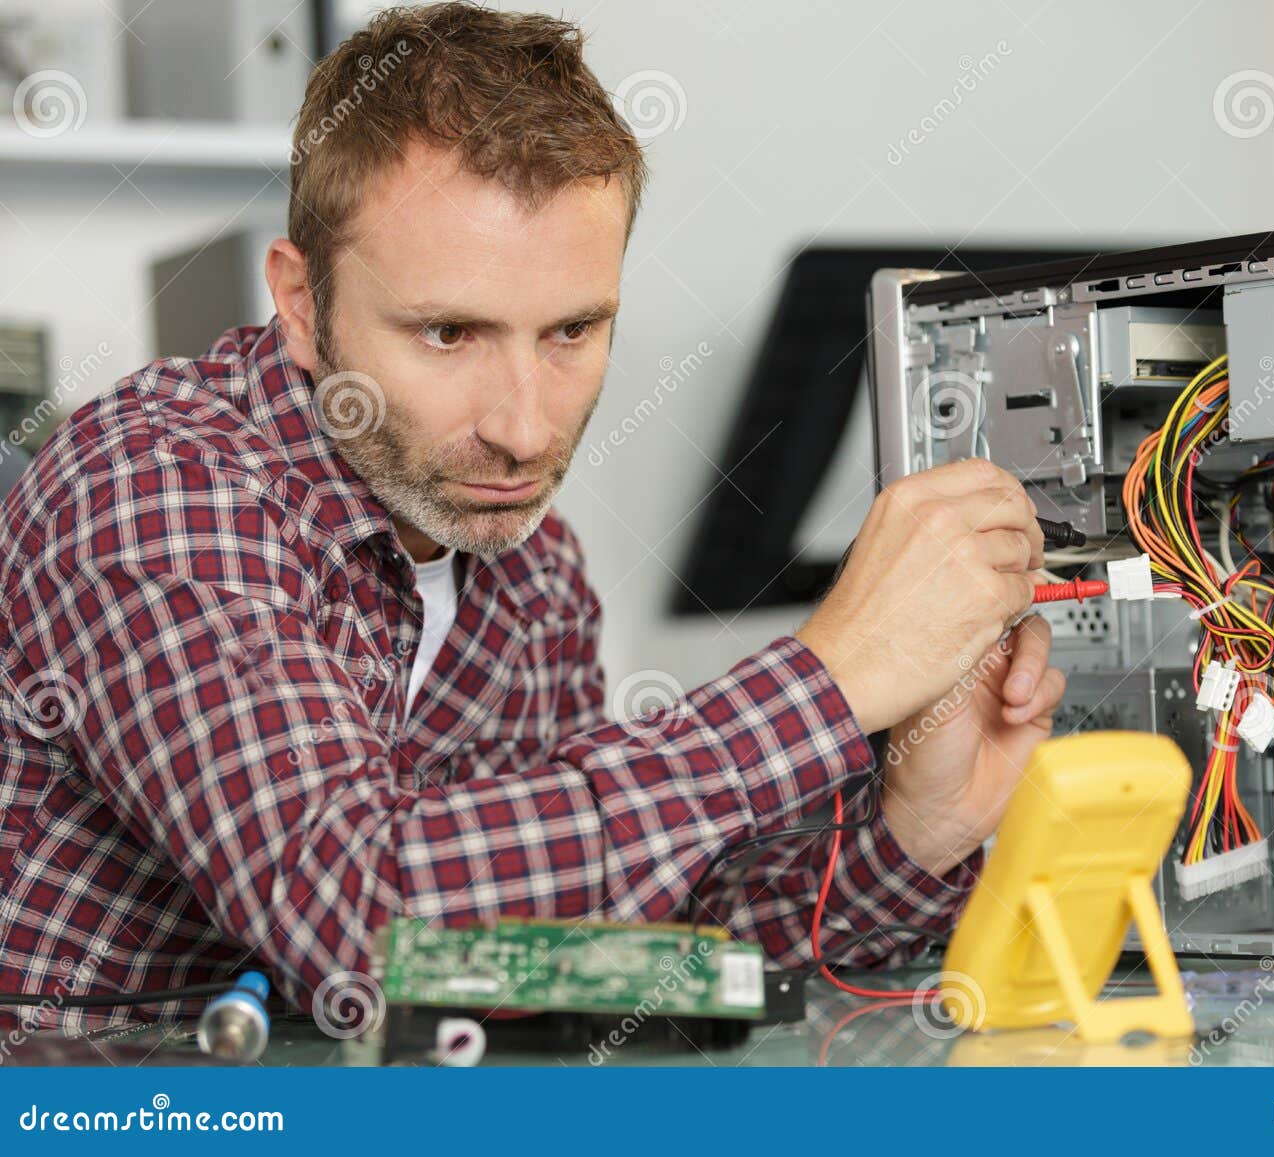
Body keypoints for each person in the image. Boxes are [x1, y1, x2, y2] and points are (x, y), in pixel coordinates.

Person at [0, 3, 1064, 1029]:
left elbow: (605, 946)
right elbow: (358, 922)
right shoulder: (150, 486)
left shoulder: (530, 563)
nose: (522, 429)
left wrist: (913, 831)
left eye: (571, 331)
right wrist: (828, 682)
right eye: (449, 332)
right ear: (300, 303)